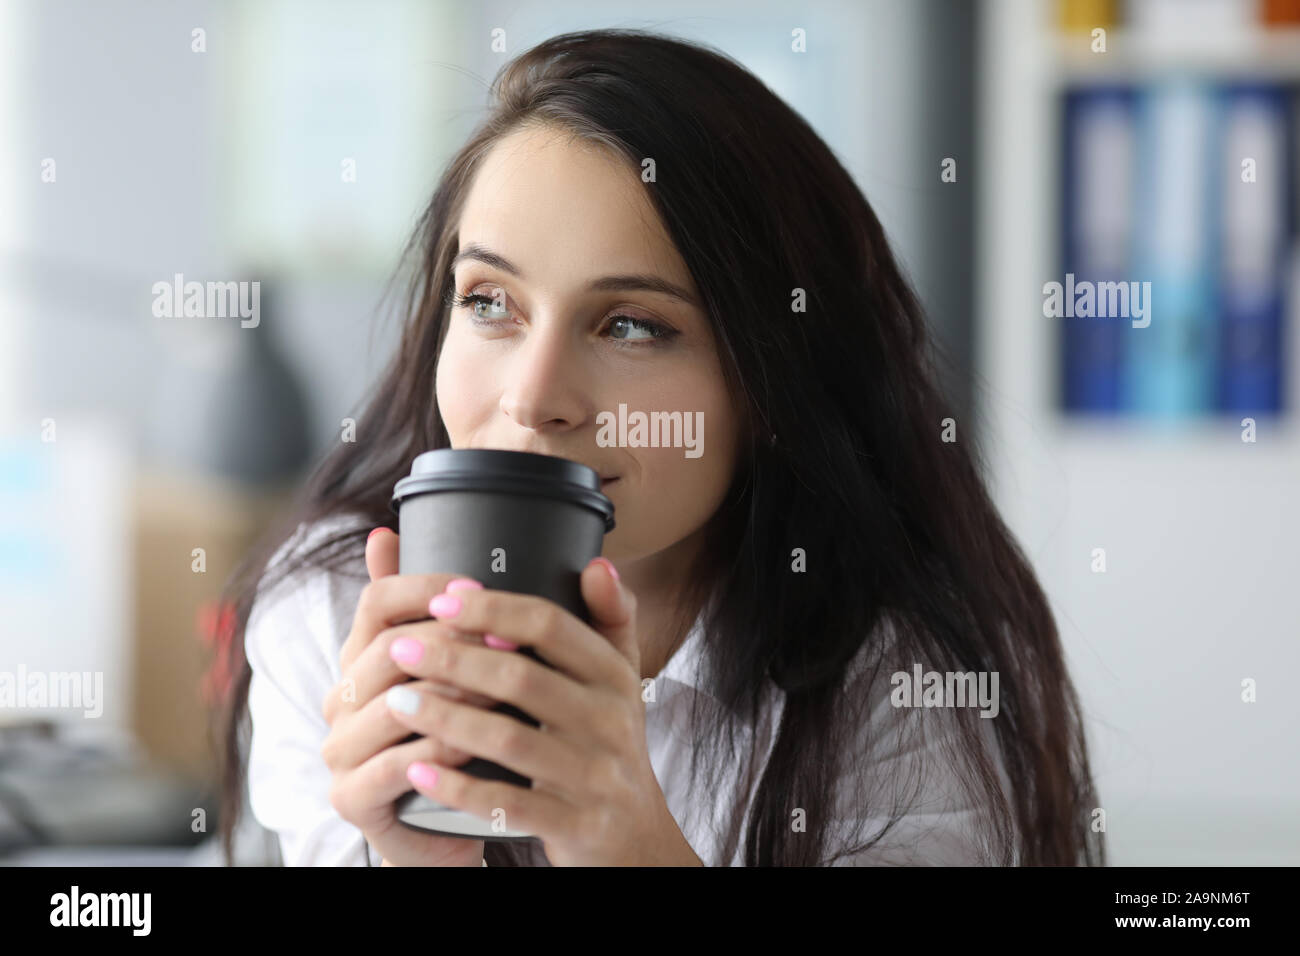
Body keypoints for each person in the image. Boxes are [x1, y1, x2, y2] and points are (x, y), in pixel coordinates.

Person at [215, 28, 1104, 867]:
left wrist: (632, 845)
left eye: (631, 325)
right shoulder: (329, 615)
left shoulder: (907, 692)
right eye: (490, 302)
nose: (532, 398)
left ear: (769, 384)